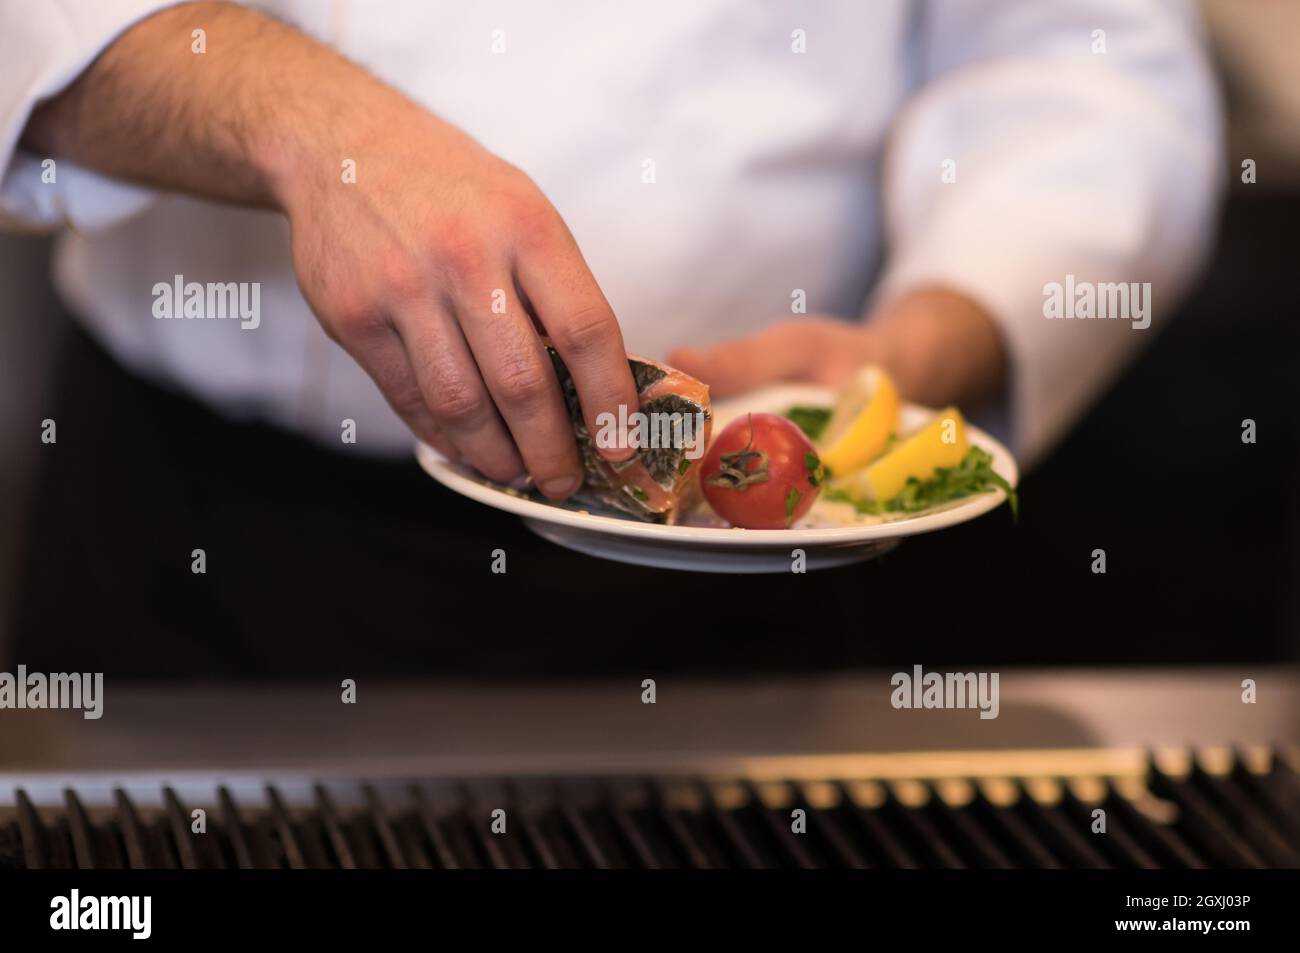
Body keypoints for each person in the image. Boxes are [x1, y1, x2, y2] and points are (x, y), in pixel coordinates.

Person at [0, 1, 1222, 674]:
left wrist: (920, 341)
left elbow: (1079, 57)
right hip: (220, 549)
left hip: (760, 552)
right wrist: (305, 124)